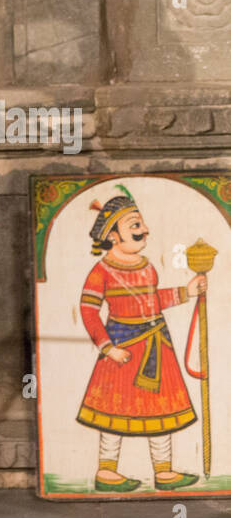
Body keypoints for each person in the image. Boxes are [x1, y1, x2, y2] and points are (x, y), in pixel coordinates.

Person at [76, 187, 206, 491]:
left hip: (157, 345)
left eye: (142, 223)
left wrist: (186, 292)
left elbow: (151, 299)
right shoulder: (101, 272)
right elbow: (88, 311)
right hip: (123, 347)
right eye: (135, 225)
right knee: (113, 413)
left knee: (160, 410)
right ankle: (106, 472)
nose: (144, 229)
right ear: (113, 235)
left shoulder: (146, 266)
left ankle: (164, 472)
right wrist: (108, 348)